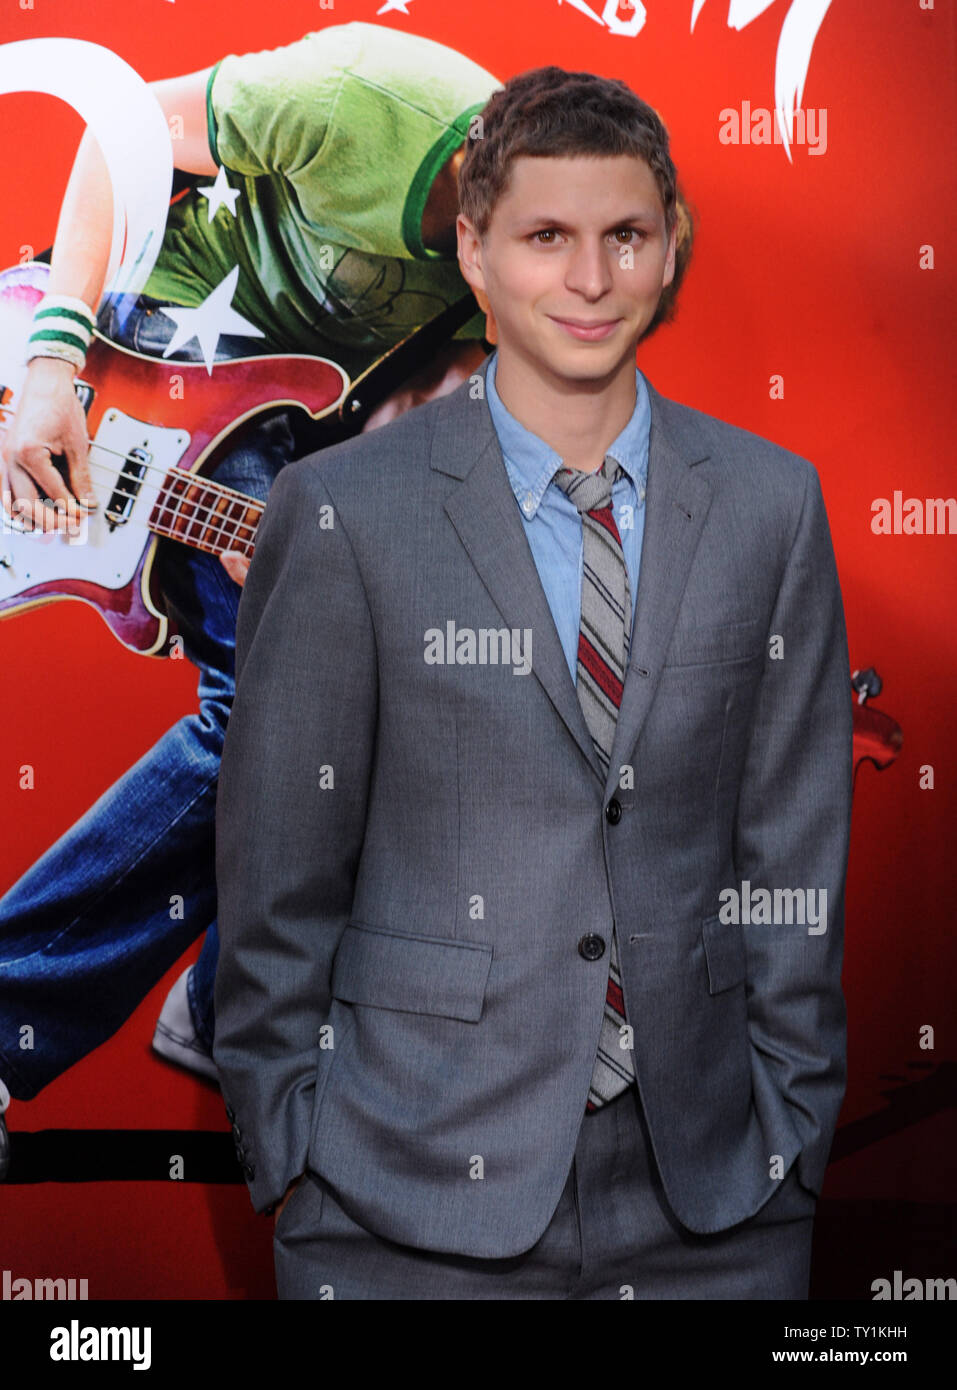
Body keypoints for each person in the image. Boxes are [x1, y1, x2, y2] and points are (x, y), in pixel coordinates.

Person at [213, 64, 853, 1299]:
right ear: (473, 249)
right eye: (546, 236)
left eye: (626, 235)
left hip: (718, 1192)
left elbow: (795, 855)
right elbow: (278, 862)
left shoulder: (774, 505)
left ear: (671, 249)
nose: (591, 278)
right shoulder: (345, 509)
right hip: (397, 1191)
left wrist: (795, 1128)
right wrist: (293, 1140)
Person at [0, 21, 503, 1178]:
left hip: (286, 427)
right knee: (282, 707)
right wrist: (48, 365)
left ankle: (232, 1008)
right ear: (482, 160)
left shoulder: (540, 290)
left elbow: (403, 418)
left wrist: (332, 519)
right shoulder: (364, 92)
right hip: (146, 359)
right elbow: (119, 139)